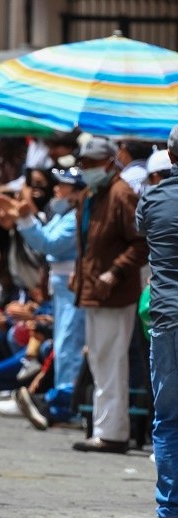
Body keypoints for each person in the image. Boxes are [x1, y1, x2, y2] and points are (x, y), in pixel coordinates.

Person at [71, 137, 148, 453]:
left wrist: (114, 272)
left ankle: (113, 431)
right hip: (93, 290)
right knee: (100, 359)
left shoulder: (121, 194)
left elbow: (140, 243)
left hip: (114, 292)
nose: (85, 170)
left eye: (89, 164)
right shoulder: (91, 195)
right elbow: (89, 243)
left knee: (112, 360)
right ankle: (105, 427)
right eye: (83, 165)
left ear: (108, 162)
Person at [0, 167, 88, 429]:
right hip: (60, 284)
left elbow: (50, 243)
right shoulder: (64, 215)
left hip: (71, 284)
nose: (57, 190)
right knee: (63, 344)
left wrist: (26, 219)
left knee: (70, 344)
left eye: (64, 186)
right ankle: (62, 401)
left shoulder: (74, 217)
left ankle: (67, 405)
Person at [134, 125, 178, 518]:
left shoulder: (153, 195)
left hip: (166, 318)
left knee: (167, 418)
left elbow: (141, 228)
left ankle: (171, 514)